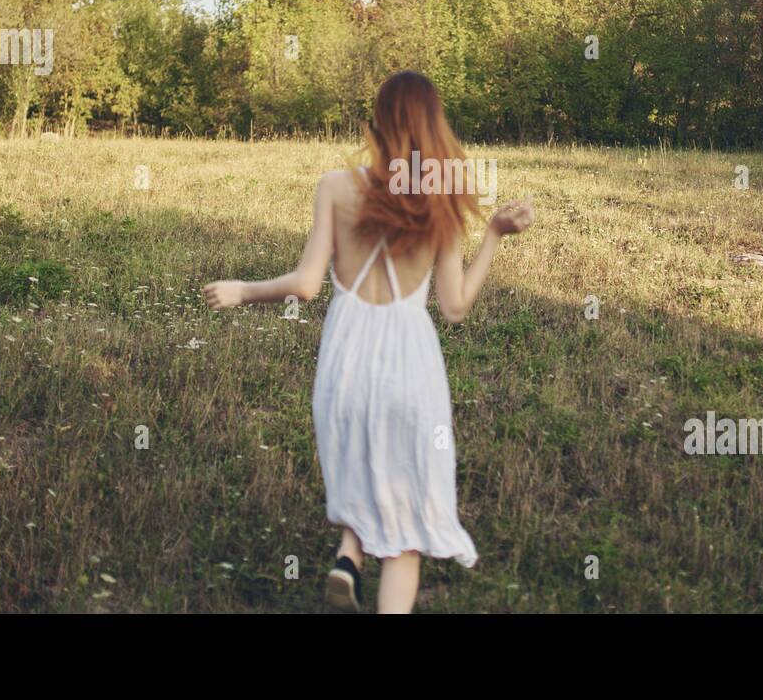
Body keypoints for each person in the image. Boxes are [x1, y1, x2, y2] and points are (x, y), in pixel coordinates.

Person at [203, 70, 534, 613]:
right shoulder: (440, 199)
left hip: (347, 362)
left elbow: (307, 285)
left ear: (377, 123)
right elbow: (454, 307)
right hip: (410, 365)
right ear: (434, 127)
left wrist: (242, 290)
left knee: (360, 465)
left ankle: (348, 557)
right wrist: (493, 235)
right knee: (405, 530)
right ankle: (361, 564)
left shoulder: (335, 187)